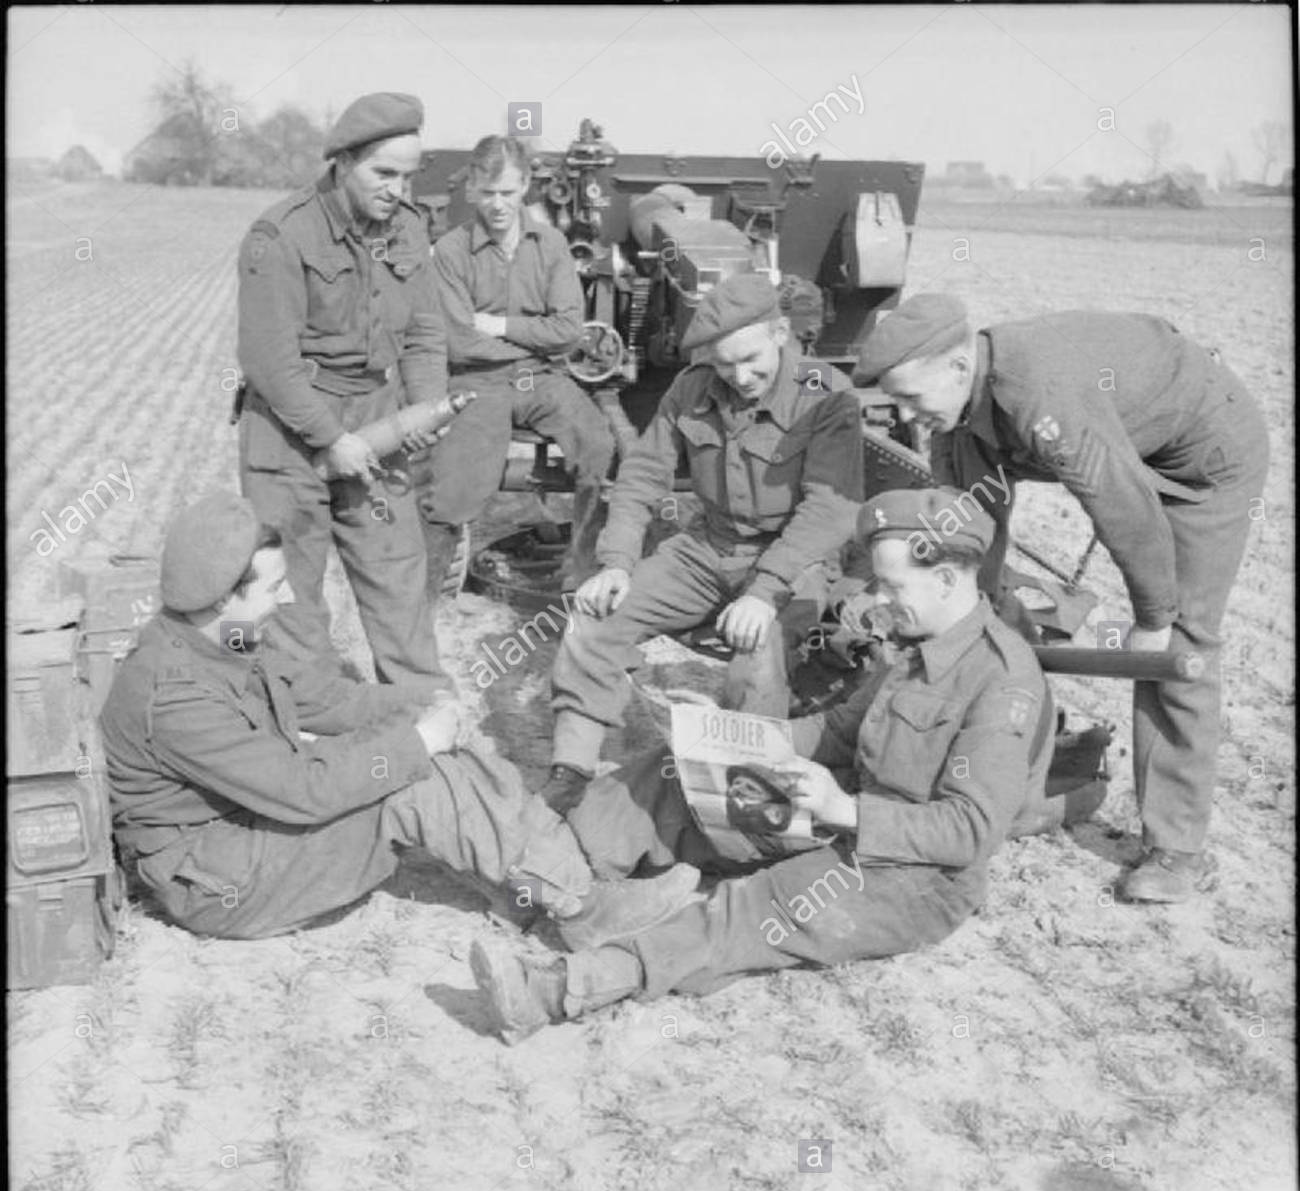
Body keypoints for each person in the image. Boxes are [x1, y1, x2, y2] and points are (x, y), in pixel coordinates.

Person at [469, 487, 1052, 1044]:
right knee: (667, 774)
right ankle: (552, 880)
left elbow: (970, 831)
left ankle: (554, 991)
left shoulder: (1002, 680)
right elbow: (838, 731)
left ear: (948, 579)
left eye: (892, 585)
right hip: (844, 813)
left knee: (751, 910)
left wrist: (844, 810)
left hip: (917, 876)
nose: (877, 599)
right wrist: (733, 737)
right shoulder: (914, 644)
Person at [99, 493, 698, 945]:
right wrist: (414, 743)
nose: (285, 601)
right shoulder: (173, 694)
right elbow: (300, 789)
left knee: (434, 754)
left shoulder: (218, 634)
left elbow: (319, 700)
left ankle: (547, 880)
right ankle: (583, 913)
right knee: (414, 780)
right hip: (222, 880)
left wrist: (420, 703)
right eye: (274, 589)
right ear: (223, 597)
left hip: (250, 828)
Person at [855, 294, 1270, 902]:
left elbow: (1123, 506)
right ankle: (992, 772)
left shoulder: (1038, 391)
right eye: (899, 403)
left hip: (1201, 463)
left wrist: (1153, 616)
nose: (911, 417)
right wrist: (960, 606)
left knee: (1180, 643)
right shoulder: (958, 412)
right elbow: (964, 524)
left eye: (915, 399)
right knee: (979, 618)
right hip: (1129, 447)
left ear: (957, 365)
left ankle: (1176, 849)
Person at [541, 271, 864, 815]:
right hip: (707, 549)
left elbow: (829, 510)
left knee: (756, 660)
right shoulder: (690, 389)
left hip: (794, 559)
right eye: (723, 364)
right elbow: (643, 473)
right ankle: (571, 770)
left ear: (781, 333)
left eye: (751, 359)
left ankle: (750, 796)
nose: (739, 377)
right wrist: (617, 563)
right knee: (593, 620)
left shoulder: (827, 397)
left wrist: (763, 593)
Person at [236, 91, 451, 698]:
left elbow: (426, 329)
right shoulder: (280, 235)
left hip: (376, 416)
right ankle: (311, 715)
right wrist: (332, 439)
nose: (398, 191)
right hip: (288, 428)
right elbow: (269, 362)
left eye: (409, 177)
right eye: (384, 174)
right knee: (292, 587)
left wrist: (426, 406)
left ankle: (420, 711)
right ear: (342, 163)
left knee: (396, 570)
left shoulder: (408, 228)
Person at [415, 134, 616, 596]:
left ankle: (582, 566)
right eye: (487, 193)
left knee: (598, 446)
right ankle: (423, 607)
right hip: (477, 382)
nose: (498, 204)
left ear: (525, 185)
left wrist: (499, 325)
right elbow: (459, 339)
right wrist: (531, 336)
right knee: (453, 490)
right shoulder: (450, 251)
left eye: (507, 192)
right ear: (471, 190)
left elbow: (569, 330)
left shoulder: (550, 245)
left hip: (541, 379)